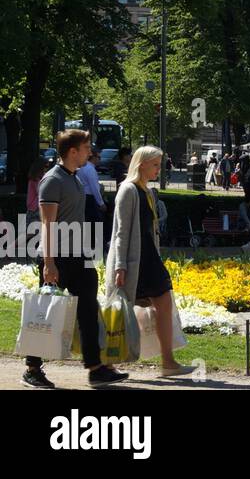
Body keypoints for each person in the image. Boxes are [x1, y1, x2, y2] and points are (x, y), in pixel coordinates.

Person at [22, 129, 128, 389]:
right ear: (72, 151)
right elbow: (47, 225)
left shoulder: (75, 177)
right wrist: (49, 263)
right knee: (47, 314)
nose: (90, 151)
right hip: (58, 257)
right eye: (86, 147)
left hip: (80, 255)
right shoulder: (52, 180)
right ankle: (32, 369)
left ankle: (96, 368)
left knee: (89, 311)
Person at [106, 146, 196, 377]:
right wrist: (120, 265)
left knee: (163, 302)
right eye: (155, 164)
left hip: (147, 258)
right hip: (136, 260)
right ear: (142, 164)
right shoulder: (128, 190)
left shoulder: (145, 190)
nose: (159, 169)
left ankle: (168, 361)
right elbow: (121, 232)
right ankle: (107, 362)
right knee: (122, 310)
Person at [76, 148, 107, 255]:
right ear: (93, 157)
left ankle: (88, 247)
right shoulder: (90, 169)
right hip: (90, 199)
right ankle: (99, 249)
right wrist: (101, 203)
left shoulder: (81, 168)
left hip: (82, 198)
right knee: (96, 223)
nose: (99, 160)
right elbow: (94, 188)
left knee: (87, 224)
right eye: (98, 157)